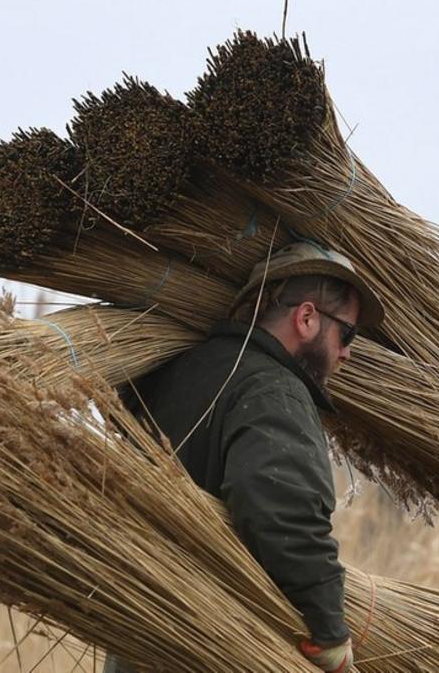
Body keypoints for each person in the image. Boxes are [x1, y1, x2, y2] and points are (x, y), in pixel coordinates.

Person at [108, 241, 384, 672]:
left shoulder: (174, 367)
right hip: (208, 646)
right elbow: (282, 513)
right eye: (346, 333)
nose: (347, 351)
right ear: (307, 318)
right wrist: (330, 631)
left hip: (142, 634)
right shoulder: (273, 389)